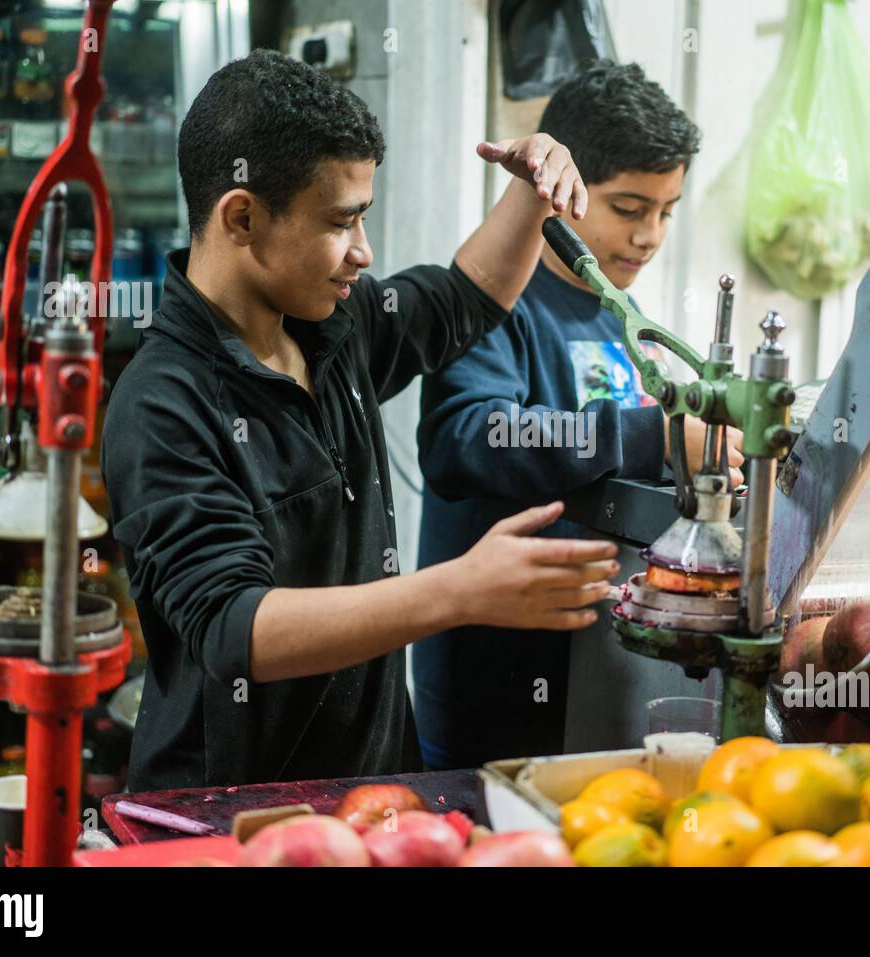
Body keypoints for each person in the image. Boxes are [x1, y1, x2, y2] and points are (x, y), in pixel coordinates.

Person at [102, 49, 618, 791]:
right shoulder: (162, 403)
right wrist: (459, 590)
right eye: (341, 223)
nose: (363, 253)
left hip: (371, 792)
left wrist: (534, 189)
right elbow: (233, 625)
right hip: (231, 812)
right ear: (242, 217)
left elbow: (466, 298)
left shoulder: (333, 330)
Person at [414, 61, 741, 769]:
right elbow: (467, 436)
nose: (651, 235)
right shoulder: (500, 302)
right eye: (629, 208)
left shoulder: (625, 315)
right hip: (494, 681)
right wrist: (652, 437)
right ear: (565, 189)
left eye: (666, 211)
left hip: (593, 673)